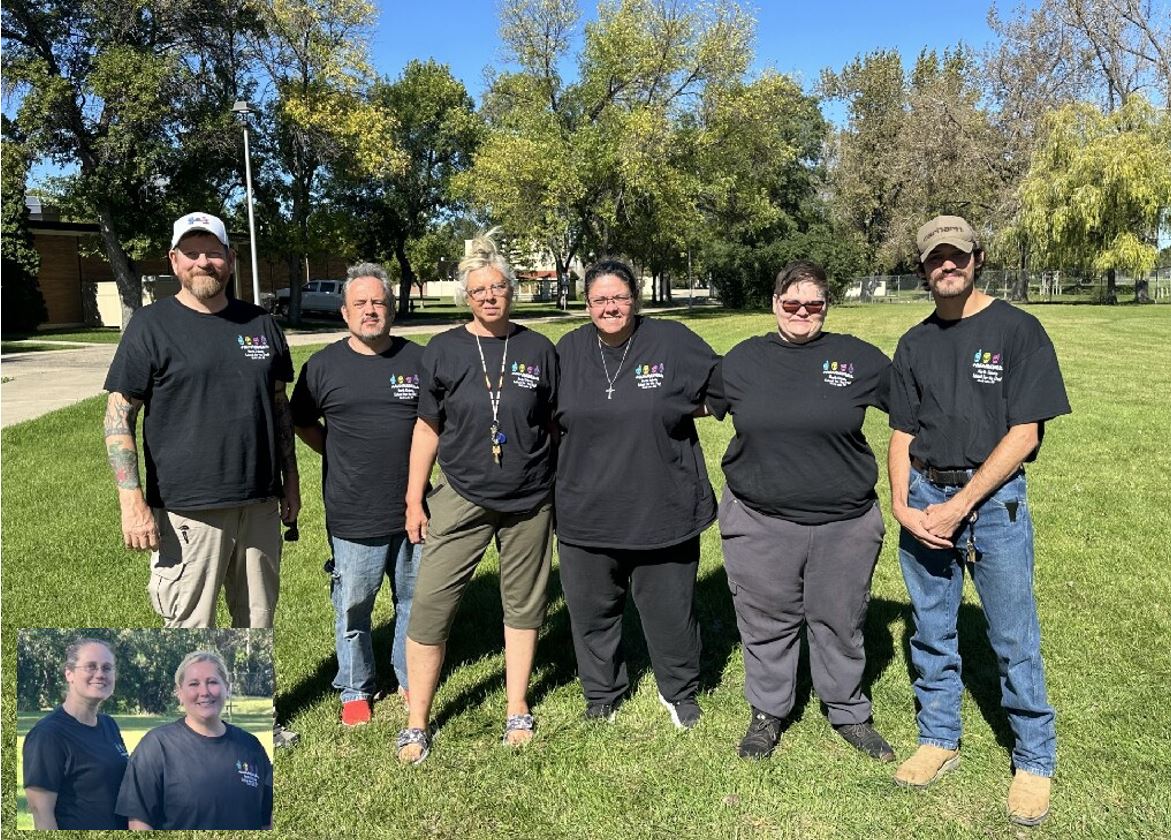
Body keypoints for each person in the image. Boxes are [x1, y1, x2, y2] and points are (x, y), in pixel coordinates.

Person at [888, 215, 1070, 826]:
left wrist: (961, 504)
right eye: (936, 258)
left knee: (1014, 638)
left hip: (993, 505)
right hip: (924, 496)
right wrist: (901, 504)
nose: (948, 265)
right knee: (931, 628)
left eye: (957, 256)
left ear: (976, 259)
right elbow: (899, 430)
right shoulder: (913, 343)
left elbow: (1025, 433)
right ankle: (939, 738)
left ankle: (1034, 761)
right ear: (922, 268)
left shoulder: (1018, 330)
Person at [706, 261, 894, 761]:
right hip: (759, 520)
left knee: (840, 619)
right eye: (792, 304)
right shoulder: (743, 361)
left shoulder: (856, 358)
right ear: (774, 305)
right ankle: (768, 713)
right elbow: (688, 403)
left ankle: (848, 709)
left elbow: (916, 409)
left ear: (826, 307)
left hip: (845, 523)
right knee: (766, 621)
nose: (802, 313)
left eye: (813, 305)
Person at [396, 231, 557, 763]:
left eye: (499, 288)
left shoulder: (537, 349)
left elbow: (555, 425)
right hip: (460, 495)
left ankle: (516, 706)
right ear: (467, 295)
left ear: (512, 290)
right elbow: (427, 427)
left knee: (524, 605)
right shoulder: (443, 350)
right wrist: (414, 498)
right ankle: (418, 720)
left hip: (529, 499)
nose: (490, 296)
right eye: (480, 290)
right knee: (430, 607)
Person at [103, 212, 299, 628]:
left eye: (213, 252)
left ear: (230, 258)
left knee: (256, 624)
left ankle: (248, 697)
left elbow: (280, 409)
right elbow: (119, 415)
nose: (202, 262)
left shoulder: (261, 324)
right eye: (191, 253)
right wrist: (131, 500)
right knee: (191, 628)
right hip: (187, 510)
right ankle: (195, 698)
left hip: (259, 503)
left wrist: (291, 484)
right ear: (174, 261)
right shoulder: (150, 326)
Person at [554, 258, 717, 729]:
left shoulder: (671, 341)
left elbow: (723, 387)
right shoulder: (567, 351)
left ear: (635, 299)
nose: (610, 307)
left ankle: (679, 690)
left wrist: (678, 406)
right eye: (600, 299)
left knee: (670, 612)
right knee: (592, 611)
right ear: (586, 305)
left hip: (662, 506)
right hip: (586, 509)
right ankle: (602, 692)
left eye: (619, 297)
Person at [291, 263, 424, 727]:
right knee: (353, 606)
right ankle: (355, 687)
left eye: (379, 302)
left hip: (414, 508)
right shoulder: (323, 366)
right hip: (352, 511)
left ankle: (409, 679)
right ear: (345, 312)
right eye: (361, 303)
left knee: (413, 601)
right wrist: (334, 450)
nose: (371, 310)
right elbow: (302, 420)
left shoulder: (417, 360)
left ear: (391, 309)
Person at [116, 650, 273, 830]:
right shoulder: (156, 746)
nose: (204, 692)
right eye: (193, 684)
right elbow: (139, 821)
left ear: (227, 688)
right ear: (180, 693)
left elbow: (267, 818)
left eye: (212, 682)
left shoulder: (251, 746)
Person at [23, 638, 129, 830]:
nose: (100, 674)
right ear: (69, 674)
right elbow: (42, 814)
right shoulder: (48, 735)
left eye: (107, 668)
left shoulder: (109, 725)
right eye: (90, 667)